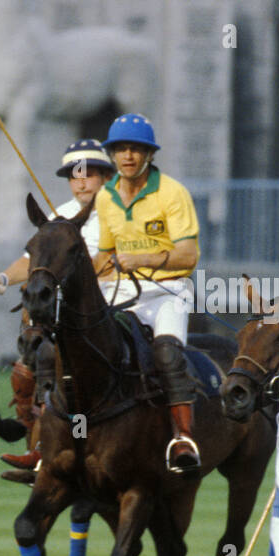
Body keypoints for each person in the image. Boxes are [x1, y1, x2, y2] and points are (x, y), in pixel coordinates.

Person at [0, 139, 114, 471]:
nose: (81, 181)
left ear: (105, 176)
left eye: (88, 174)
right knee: (30, 360)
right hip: (70, 312)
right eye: (74, 175)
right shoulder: (61, 216)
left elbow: (108, 259)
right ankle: (39, 443)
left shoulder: (120, 209)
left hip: (114, 301)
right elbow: (33, 263)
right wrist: (1, 277)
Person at [89, 114, 202, 475]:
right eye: (120, 149)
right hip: (122, 291)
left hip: (167, 289)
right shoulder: (105, 197)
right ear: (111, 155)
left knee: (167, 355)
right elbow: (105, 252)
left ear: (148, 155)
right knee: (81, 341)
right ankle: (56, 438)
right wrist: (75, 274)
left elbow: (189, 255)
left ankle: (183, 437)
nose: (127, 156)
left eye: (136, 149)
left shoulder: (172, 192)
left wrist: (142, 258)